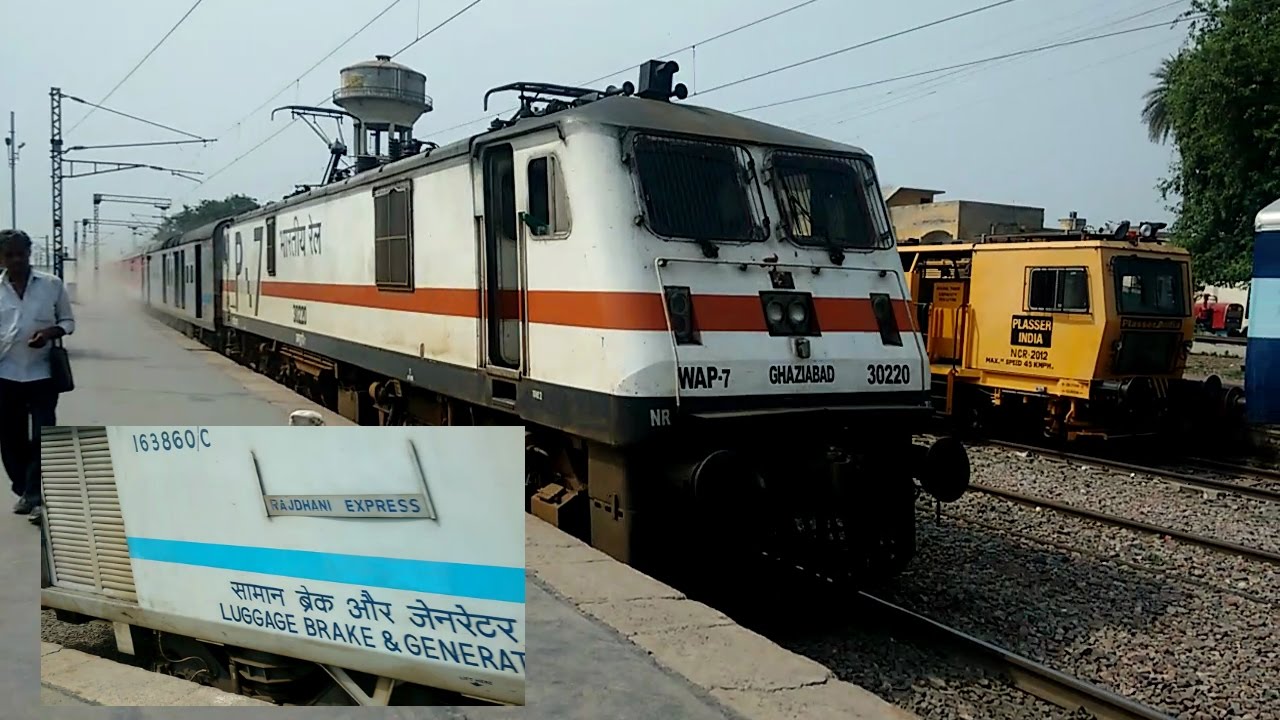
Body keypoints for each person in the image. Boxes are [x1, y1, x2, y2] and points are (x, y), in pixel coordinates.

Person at [0, 229, 74, 525]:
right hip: (5, 375)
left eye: (21, 253)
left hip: (43, 374)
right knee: (10, 439)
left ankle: (36, 495)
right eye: (10, 254)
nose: (17, 260)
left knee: (43, 435)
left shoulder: (51, 285)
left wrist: (48, 333)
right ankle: (25, 489)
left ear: (30, 253)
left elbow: (68, 321)